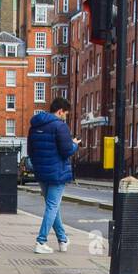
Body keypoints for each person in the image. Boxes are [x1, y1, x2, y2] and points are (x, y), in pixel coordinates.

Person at [27, 97, 79, 254]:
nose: (65, 117)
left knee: (52, 206)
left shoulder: (34, 126)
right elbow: (66, 151)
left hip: (41, 172)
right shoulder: (60, 126)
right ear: (60, 111)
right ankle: (41, 241)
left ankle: (63, 239)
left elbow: (30, 151)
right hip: (57, 173)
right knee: (52, 206)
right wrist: (75, 144)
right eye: (65, 113)